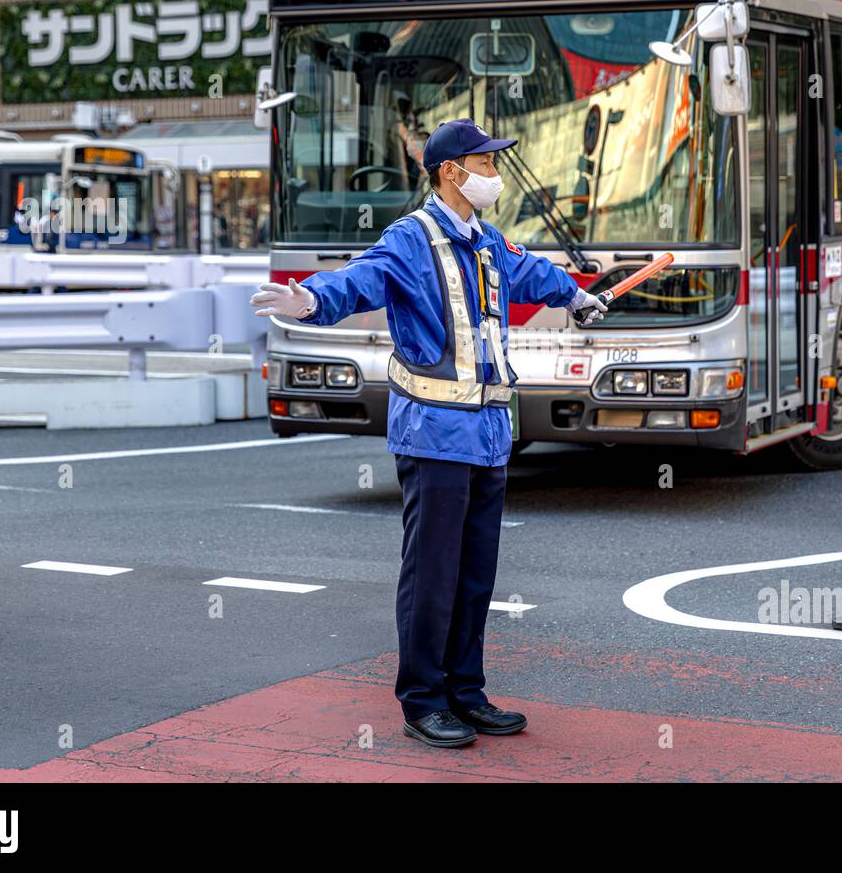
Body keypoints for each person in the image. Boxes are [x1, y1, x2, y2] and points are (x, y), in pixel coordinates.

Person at [251, 118, 608, 748]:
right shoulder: (410, 239)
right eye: (487, 164)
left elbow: (531, 275)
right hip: (435, 434)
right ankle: (422, 701)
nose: (495, 175)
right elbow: (358, 280)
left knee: (475, 577)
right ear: (451, 172)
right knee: (432, 575)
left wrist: (575, 295)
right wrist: (307, 302)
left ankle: (465, 693)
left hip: (490, 434)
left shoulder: (485, 240)